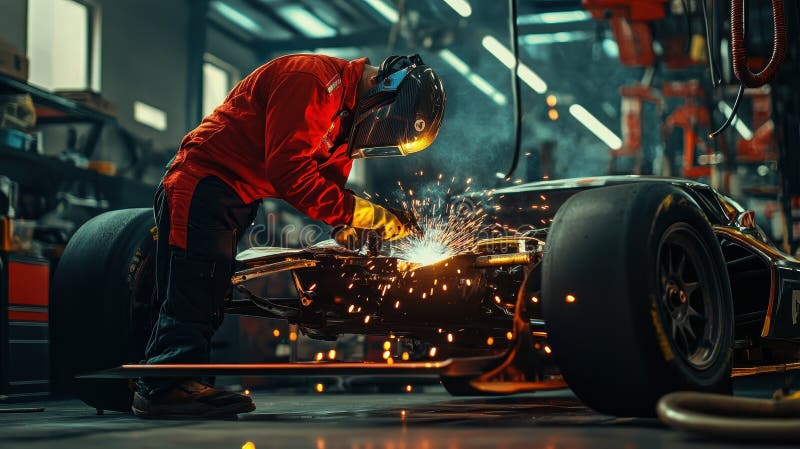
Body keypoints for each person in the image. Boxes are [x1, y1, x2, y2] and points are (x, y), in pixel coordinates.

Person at [132, 53, 446, 418]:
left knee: (211, 290)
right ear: (384, 90)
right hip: (203, 181)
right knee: (196, 284)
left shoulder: (347, 120)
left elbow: (328, 183)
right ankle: (166, 387)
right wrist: (364, 214)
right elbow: (289, 171)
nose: (380, 132)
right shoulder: (312, 82)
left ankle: (171, 381)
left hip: (237, 192)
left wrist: (345, 227)